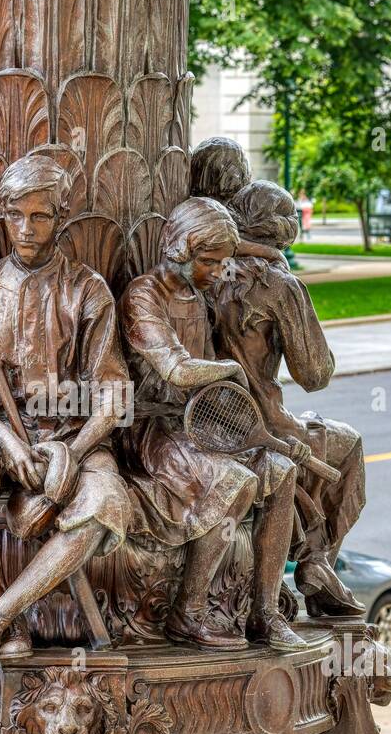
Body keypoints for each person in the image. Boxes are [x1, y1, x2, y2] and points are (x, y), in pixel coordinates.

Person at [0, 154, 133, 684]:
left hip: (75, 439)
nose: (26, 228)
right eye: (16, 215)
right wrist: (8, 442)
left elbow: (115, 395)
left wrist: (76, 450)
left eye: (40, 216)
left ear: (61, 219)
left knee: (107, 501)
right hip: (0, 438)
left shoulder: (87, 290)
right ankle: (6, 616)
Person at [118, 197, 307, 652]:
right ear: (179, 250)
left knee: (282, 472)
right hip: (153, 431)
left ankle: (265, 613)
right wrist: (230, 371)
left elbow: (239, 249)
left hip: (199, 425)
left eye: (223, 262)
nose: (219, 272)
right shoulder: (145, 295)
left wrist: (267, 254)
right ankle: (189, 612)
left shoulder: (195, 293)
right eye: (209, 262)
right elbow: (178, 370)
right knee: (236, 481)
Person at [214, 180, 366, 615]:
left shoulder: (204, 269)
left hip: (213, 419)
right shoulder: (278, 285)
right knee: (349, 444)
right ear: (280, 230)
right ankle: (317, 563)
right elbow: (315, 374)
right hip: (263, 424)